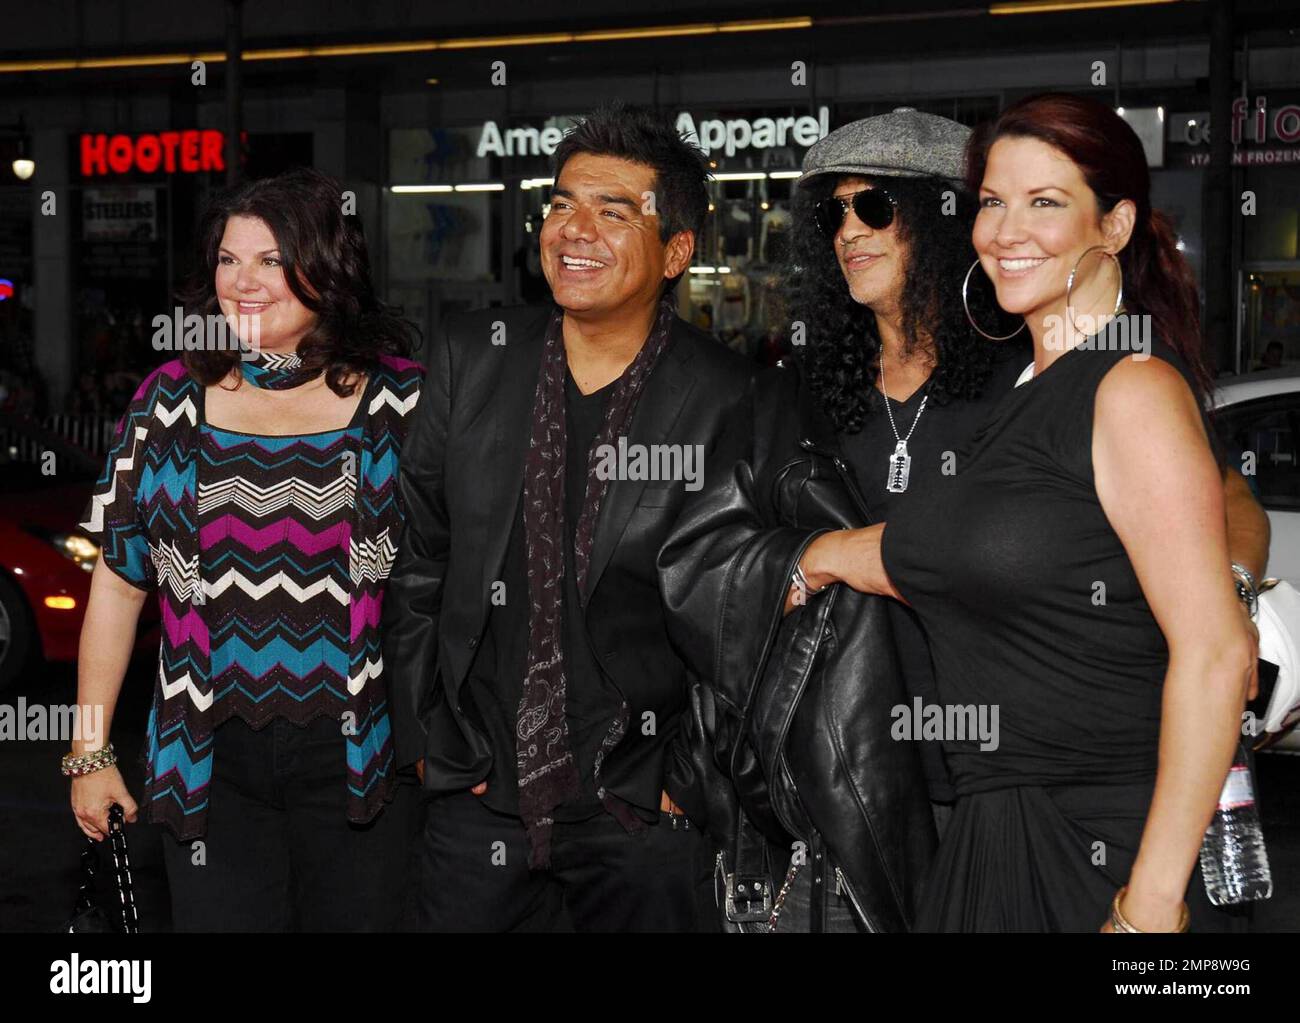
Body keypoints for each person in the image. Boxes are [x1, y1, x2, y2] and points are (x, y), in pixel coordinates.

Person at [659, 107, 1271, 932]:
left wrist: (1225, 606)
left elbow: (1219, 504)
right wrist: (814, 559)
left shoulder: (1046, 372)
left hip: (1036, 798)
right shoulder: (795, 397)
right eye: (832, 212)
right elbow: (719, 555)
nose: (850, 230)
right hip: (859, 786)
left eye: (874, 207)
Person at [384, 105, 755, 931]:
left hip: (641, 808)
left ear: (678, 252)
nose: (573, 229)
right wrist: (429, 741)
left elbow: (743, 614)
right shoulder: (473, 357)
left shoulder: (728, 397)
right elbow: (420, 560)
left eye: (614, 211)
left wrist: (688, 779)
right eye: (560, 204)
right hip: (480, 795)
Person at [69, 167, 424, 931]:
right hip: (207, 763)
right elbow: (118, 586)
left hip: (366, 758)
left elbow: (457, 577)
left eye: (270, 260)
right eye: (230, 260)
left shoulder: (402, 402)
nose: (244, 282)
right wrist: (90, 752)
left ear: (327, 268)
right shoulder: (167, 403)